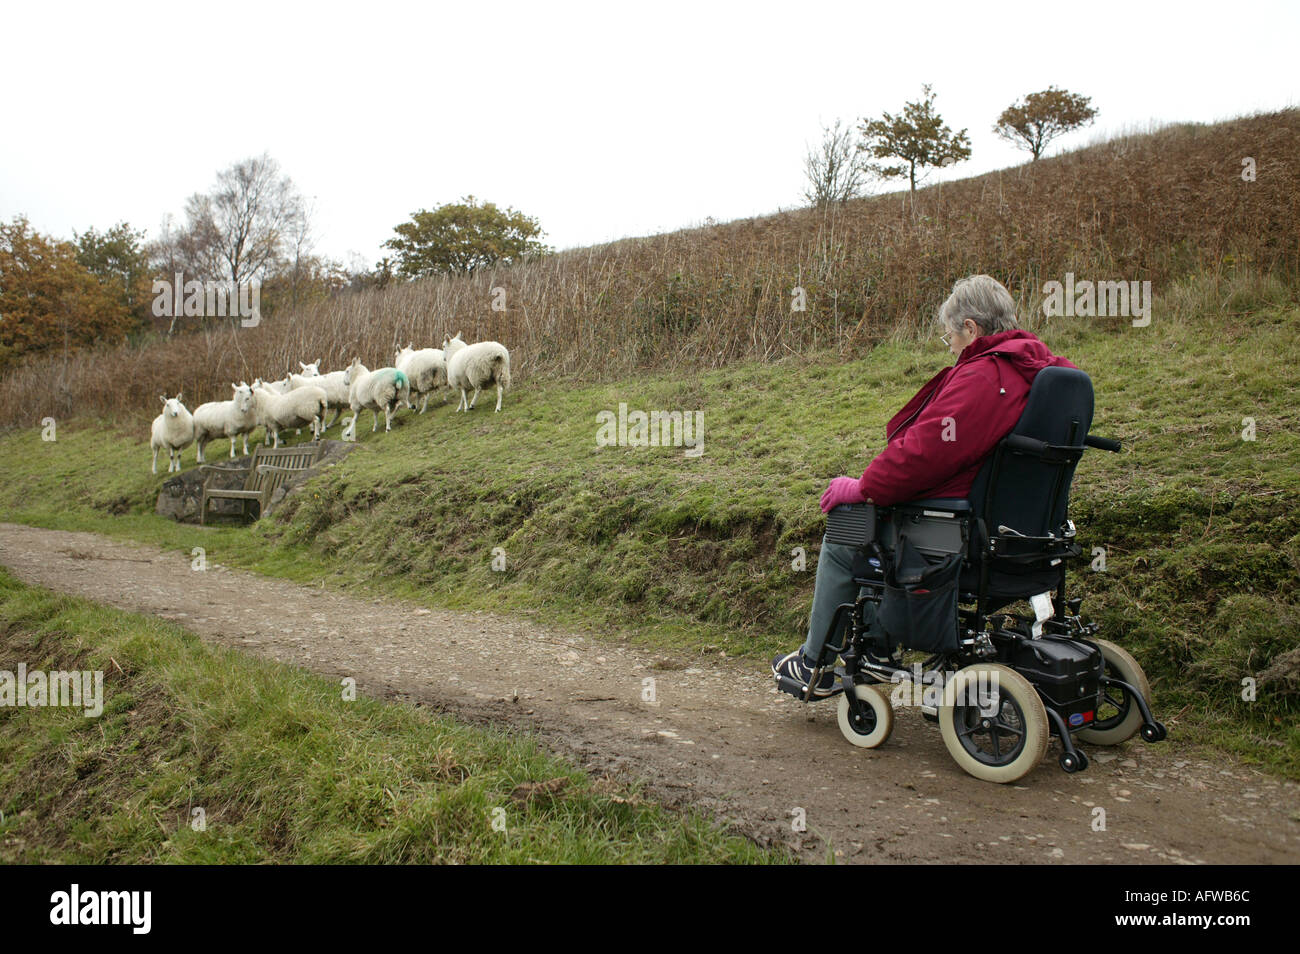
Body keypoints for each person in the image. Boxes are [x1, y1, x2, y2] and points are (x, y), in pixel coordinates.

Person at [772, 275, 1079, 697]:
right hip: (1027, 537)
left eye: (949, 335)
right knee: (881, 527)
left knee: (848, 531)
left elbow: (925, 451)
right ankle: (876, 648)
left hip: (957, 532)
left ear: (971, 329)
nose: (949, 346)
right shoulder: (1041, 373)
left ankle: (815, 664)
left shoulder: (985, 376)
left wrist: (863, 487)